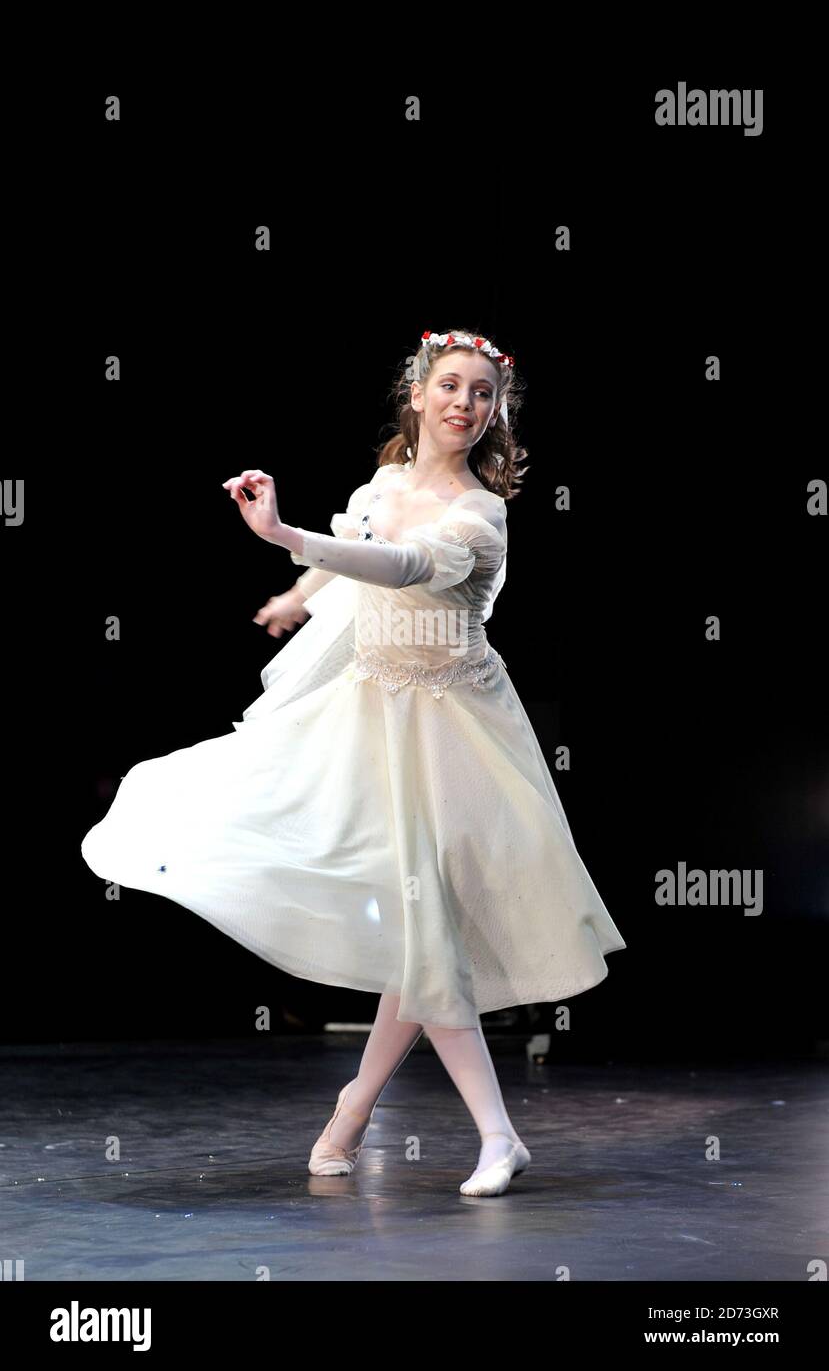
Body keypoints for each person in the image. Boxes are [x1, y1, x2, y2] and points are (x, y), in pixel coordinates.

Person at [81, 327, 627, 1197]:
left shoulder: (479, 513)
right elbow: (356, 552)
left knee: (428, 937)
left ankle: (481, 1132)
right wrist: (295, 595)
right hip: (368, 723)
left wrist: (285, 536)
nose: (464, 403)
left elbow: (400, 564)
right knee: (420, 939)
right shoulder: (381, 487)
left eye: (481, 394)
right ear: (416, 395)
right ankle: (376, 1111)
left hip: (453, 737)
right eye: (449, 386)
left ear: (495, 414)